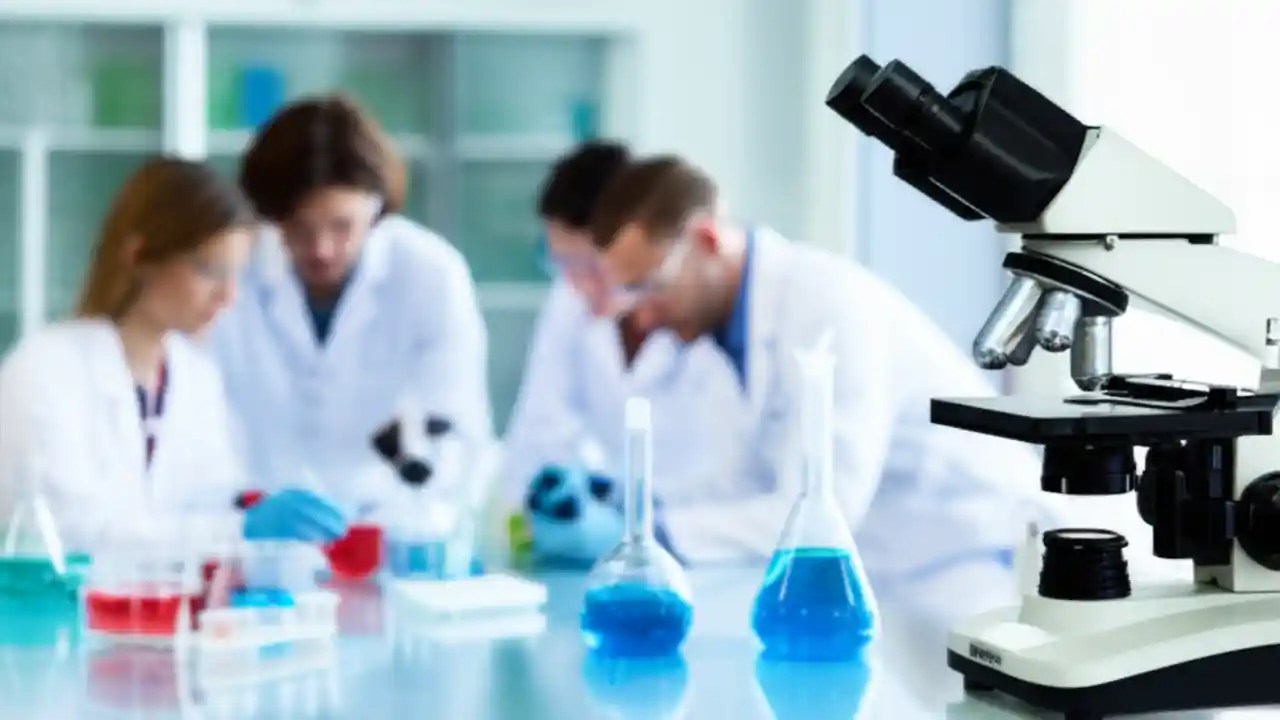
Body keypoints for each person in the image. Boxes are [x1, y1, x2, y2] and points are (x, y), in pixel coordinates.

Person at [593, 156, 1051, 633]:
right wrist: (627, 505)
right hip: (887, 571)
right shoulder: (720, 336)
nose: (642, 318)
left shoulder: (824, 303)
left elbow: (815, 507)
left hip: (969, 561)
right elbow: (741, 483)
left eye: (651, 287)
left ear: (708, 240)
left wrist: (658, 532)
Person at [0, 158, 346, 553]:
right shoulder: (45, 369)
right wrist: (235, 531)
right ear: (140, 256)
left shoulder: (195, 377)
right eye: (211, 269)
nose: (227, 296)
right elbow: (61, 531)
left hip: (161, 610)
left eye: (236, 275)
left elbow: (210, 500)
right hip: (52, 611)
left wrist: (250, 507)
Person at [207, 96, 493, 516]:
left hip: (388, 527)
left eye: (342, 225)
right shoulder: (234, 273)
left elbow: (458, 430)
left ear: (376, 206)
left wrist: (416, 505)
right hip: (258, 531)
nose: (321, 249)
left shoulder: (430, 273)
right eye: (299, 229)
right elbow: (199, 422)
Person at [503, 143, 739, 563]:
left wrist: (639, 520)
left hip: (706, 554)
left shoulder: (697, 317)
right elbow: (540, 428)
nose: (580, 286)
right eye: (563, 264)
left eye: (591, 267)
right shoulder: (570, 301)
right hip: (618, 551)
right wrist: (546, 500)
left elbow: (729, 476)